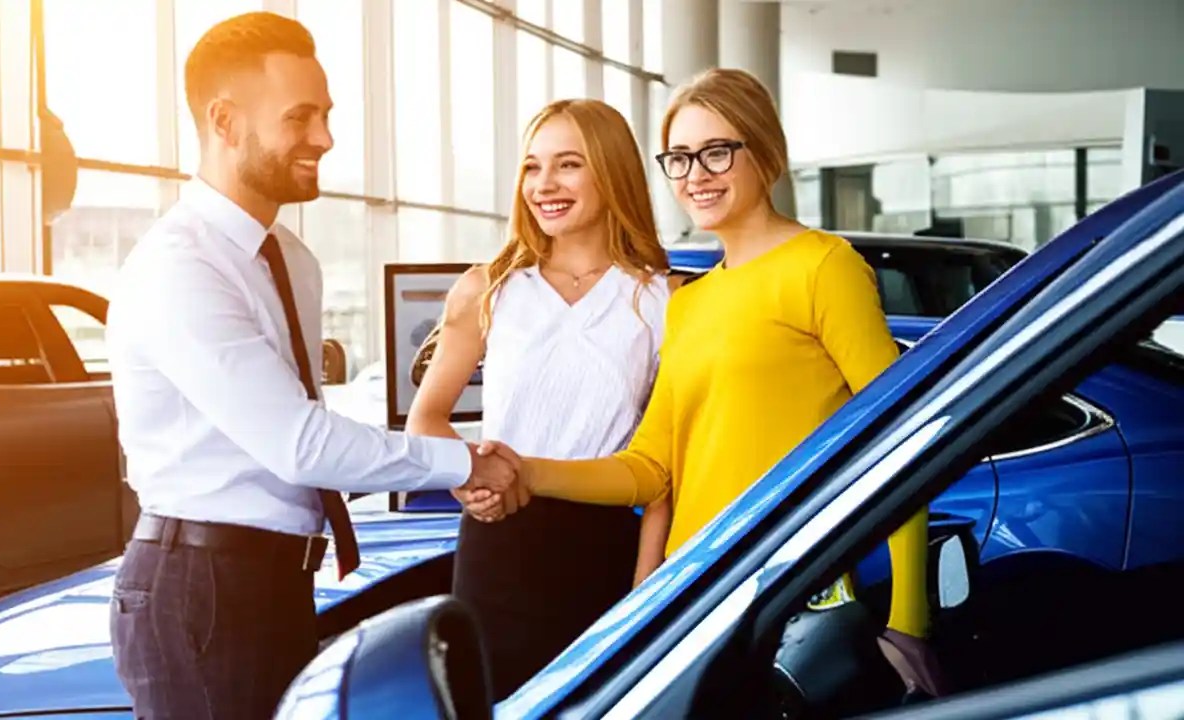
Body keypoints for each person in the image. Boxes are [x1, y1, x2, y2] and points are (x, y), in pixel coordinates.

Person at [478, 68, 948, 700]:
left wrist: (908, 624)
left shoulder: (823, 266)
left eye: (717, 152)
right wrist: (526, 471)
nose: (696, 175)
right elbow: (649, 468)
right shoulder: (691, 304)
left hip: (787, 593)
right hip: (696, 600)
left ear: (767, 154)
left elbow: (904, 439)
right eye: (679, 158)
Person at [104, 12, 520, 719]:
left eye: (326, 115)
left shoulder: (291, 260)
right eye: (301, 117)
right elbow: (298, 443)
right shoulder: (180, 268)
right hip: (198, 584)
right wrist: (465, 464)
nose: (325, 138)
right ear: (225, 121)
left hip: (272, 579)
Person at [406, 98, 674, 701]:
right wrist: (465, 481)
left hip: (606, 544)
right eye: (532, 167)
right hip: (499, 539)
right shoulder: (489, 287)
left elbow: (666, 466)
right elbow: (428, 416)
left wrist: (647, 585)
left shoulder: (661, 299)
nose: (544, 185)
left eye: (568, 165)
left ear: (612, 172)